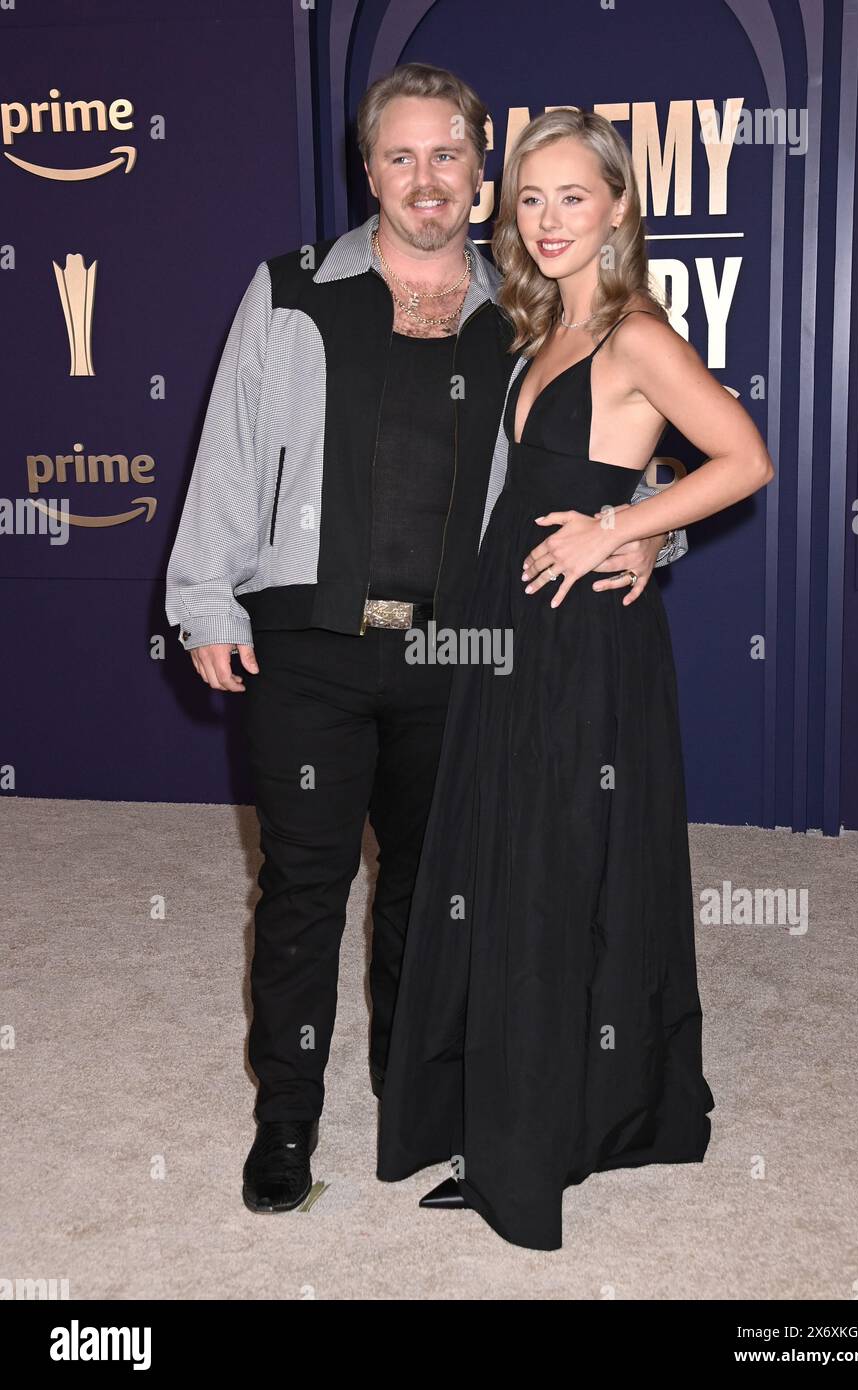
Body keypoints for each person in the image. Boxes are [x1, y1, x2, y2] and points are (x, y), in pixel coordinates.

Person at [164, 65, 686, 1216]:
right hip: (307, 641)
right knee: (302, 886)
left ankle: (414, 1094)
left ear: (479, 170)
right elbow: (231, 448)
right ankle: (286, 1120)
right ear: (368, 171)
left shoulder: (526, 308)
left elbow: (614, 446)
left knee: (435, 888)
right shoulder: (291, 289)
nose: (426, 177)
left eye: (448, 154)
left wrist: (648, 534)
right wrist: (205, 599)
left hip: (463, 652)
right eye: (400, 156)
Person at [376, 107, 775, 1251]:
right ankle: (540, 1108)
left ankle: (532, 1140)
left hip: (578, 645)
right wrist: (636, 526)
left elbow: (744, 457)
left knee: (547, 872)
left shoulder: (636, 333)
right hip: (511, 626)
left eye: (573, 197)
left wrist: (623, 529)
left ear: (616, 209)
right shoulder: (542, 325)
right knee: (503, 861)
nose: (548, 220)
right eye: (532, 199)